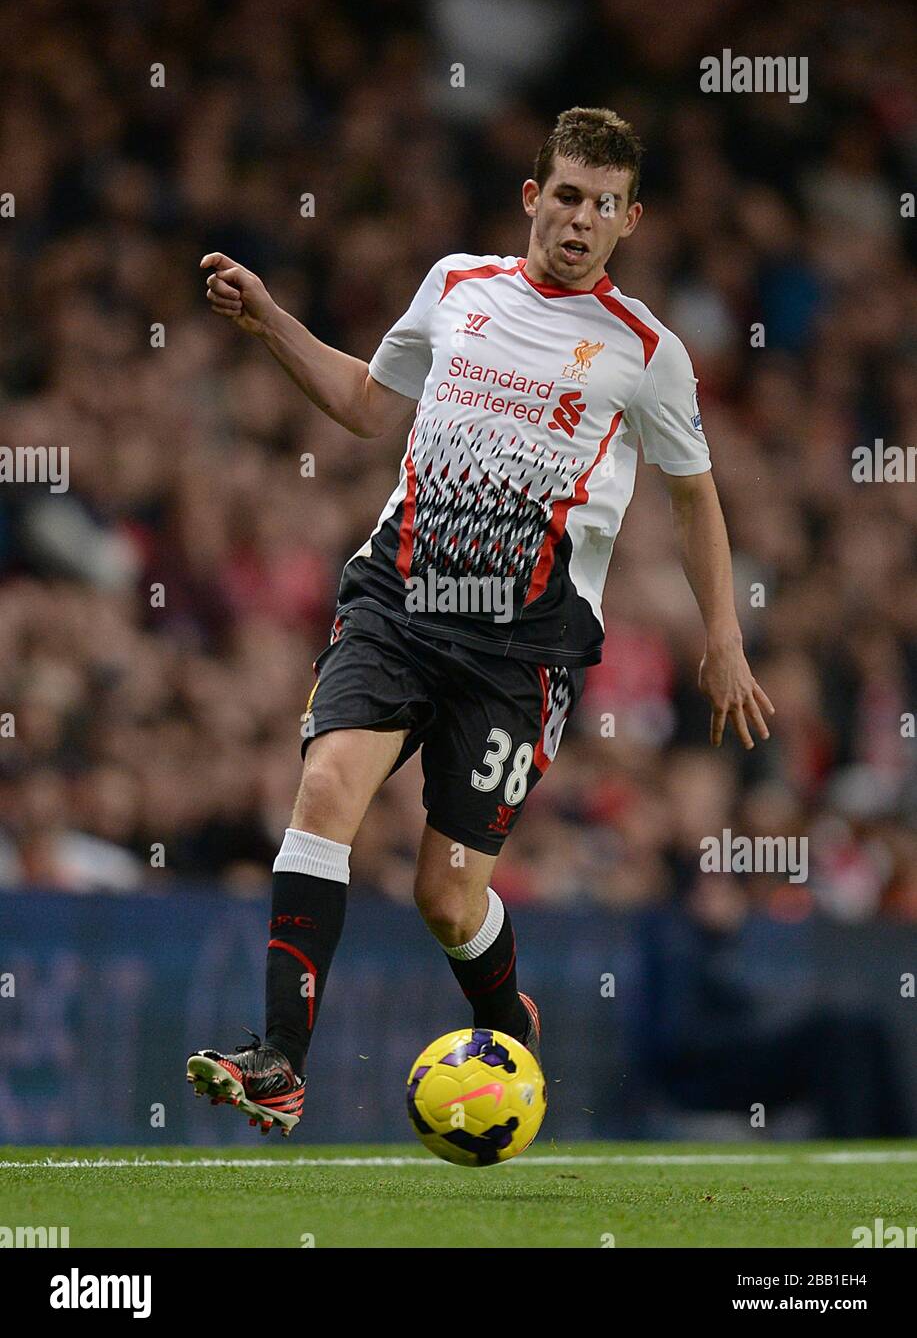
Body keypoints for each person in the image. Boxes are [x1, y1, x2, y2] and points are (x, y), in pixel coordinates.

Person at [186, 107, 774, 1136]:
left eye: (602, 204)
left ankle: (506, 1021)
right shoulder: (456, 286)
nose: (578, 219)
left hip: (522, 648)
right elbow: (370, 406)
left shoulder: (646, 352)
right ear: (529, 197)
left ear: (629, 219)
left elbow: (692, 497)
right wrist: (272, 318)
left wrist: (721, 635)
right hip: (399, 600)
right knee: (325, 785)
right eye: (564, 196)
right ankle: (277, 1057)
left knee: (447, 898)